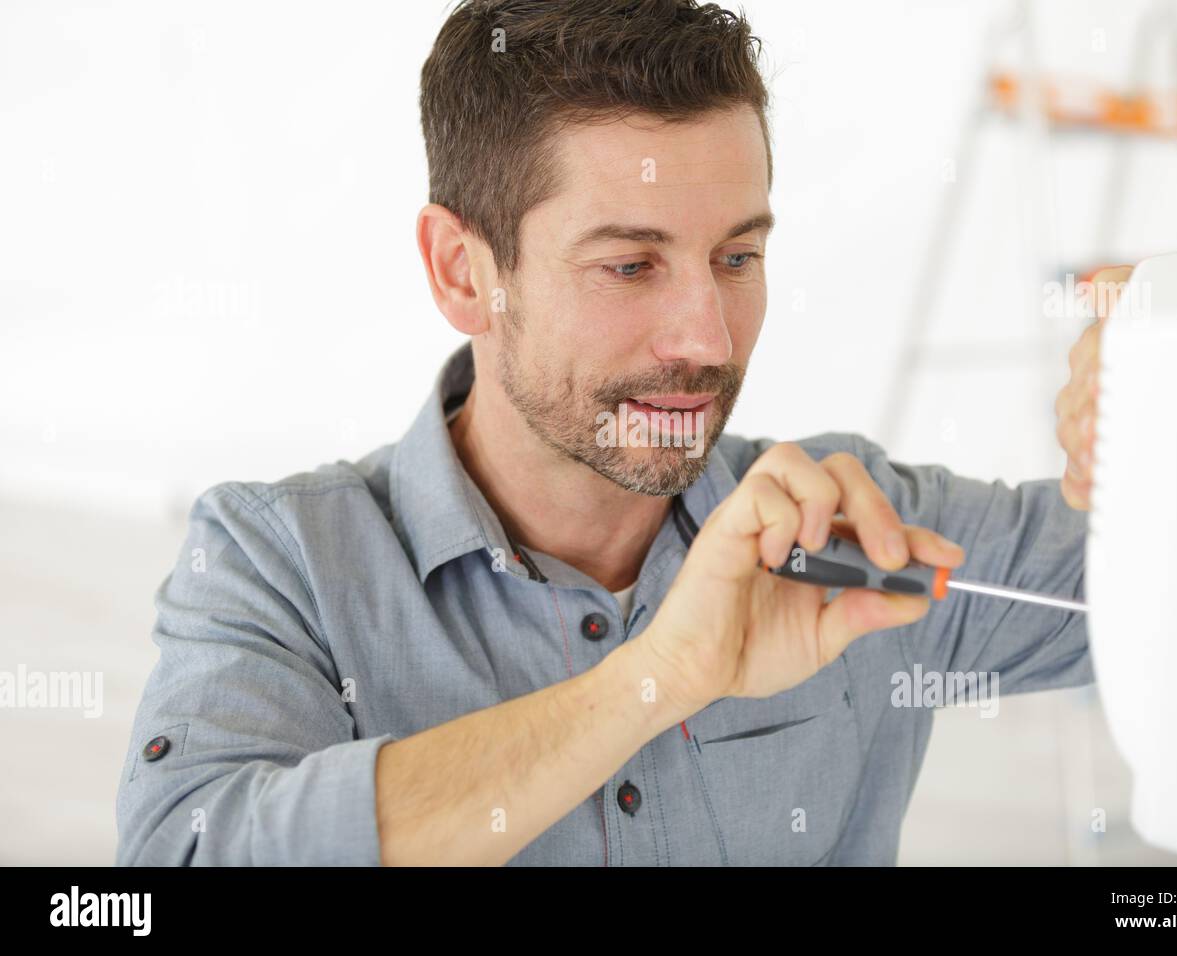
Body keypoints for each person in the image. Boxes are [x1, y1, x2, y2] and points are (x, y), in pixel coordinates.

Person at [115, 0, 1113, 866]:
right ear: (464, 272)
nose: (706, 338)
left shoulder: (853, 543)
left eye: (735, 256)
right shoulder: (281, 565)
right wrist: (652, 679)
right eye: (631, 265)